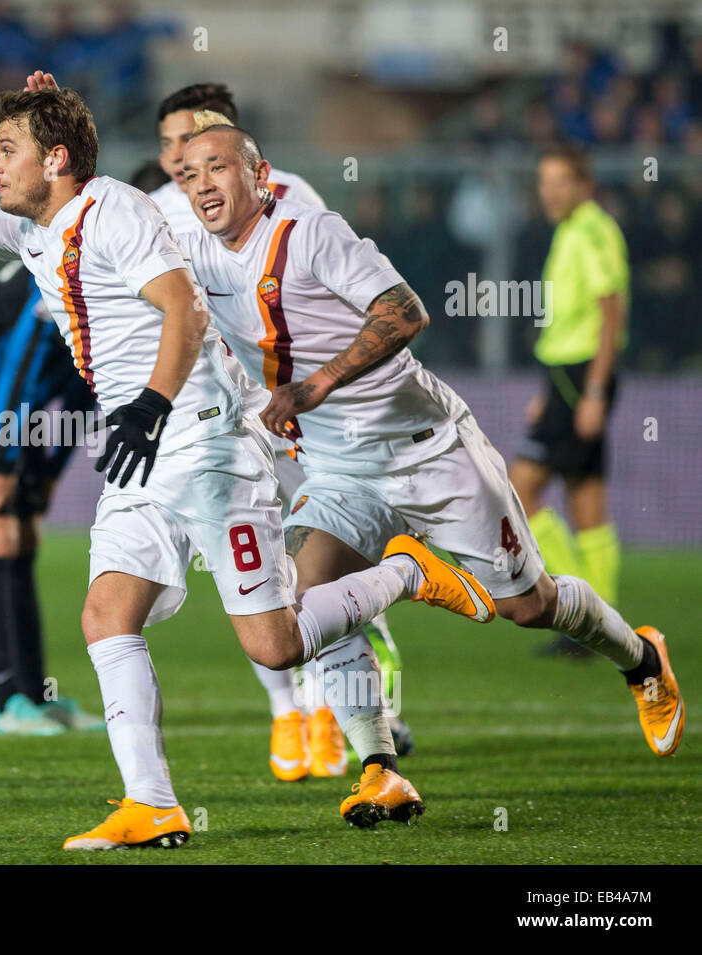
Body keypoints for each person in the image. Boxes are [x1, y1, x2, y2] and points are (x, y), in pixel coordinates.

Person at [0, 83, 496, 849]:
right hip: (142, 448)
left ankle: (407, 572)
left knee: (275, 644)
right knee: (105, 614)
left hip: (203, 436)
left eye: (7, 150)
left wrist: (154, 403)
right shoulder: (27, 228)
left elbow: (183, 308)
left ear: (55, 159)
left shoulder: (117, 210)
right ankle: (152, 803)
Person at [173, 117, 683, 787]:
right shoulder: (193, 254)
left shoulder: (309, 234)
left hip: (429, 450)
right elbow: (97, 232)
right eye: (191, 172)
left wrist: (317, 385)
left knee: (529, 604)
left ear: (258, 174)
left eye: (219, 166)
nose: (204, 183)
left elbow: (405, 311)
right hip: (343, 473)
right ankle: (379, 768)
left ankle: (643, 659)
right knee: (309, 598)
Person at [148, 82, 414, 778]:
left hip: (298, 418)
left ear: (237, 146)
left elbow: (328, 295)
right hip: (224, 421)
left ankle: (354, 711)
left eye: (199, 139)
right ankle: (289, 716)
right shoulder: (153, 212)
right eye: (173, 143)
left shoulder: (291, 199)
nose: (185, 156)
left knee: (320, 574)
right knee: (251, 569)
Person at [0, 260, 100, 735]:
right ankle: (7, 703)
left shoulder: (112, 268)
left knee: (25, 537)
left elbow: (86, 379)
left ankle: (36, 696)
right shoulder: (62, 266)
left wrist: (51, 467)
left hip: (15, 403)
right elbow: (17, 368)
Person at [508, 145, 629, 657]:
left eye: (560, 181)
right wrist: (547, 391)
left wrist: (594, 391)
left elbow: (611, 310)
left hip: (582, 377)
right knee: (587, 502)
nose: (550, 191)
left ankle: (578, 605)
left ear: (584, 183)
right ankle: (599, 625)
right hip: (564, 378)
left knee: (520, 488)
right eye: (544, 181)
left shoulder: (595, 229)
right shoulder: (570, 229)